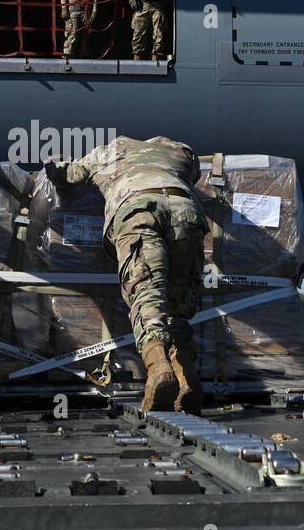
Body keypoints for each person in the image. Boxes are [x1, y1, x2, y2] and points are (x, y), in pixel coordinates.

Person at [46, 136, 206, 413]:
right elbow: (194, 174)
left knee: (146, 295)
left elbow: (69, 175)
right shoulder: (180, 149)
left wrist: (53, 162)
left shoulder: (108, 152)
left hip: (138, 211)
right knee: (178, 303)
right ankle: (186, 376)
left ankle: (159, 369)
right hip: (186, 212)